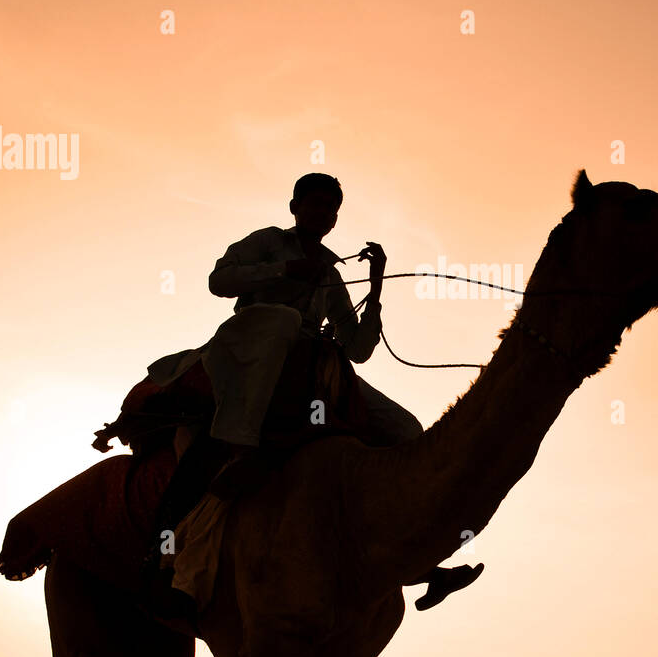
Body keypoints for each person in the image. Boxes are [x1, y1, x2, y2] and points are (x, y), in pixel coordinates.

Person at [145, 173, 482, 615]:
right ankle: (235, 450)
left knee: (404, 430)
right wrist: (283, 270)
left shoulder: (330, 274)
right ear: (294, 207)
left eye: (330, 208)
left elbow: (358, 350)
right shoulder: (268, 242)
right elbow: (219, 280)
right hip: (249, 346)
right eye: (314, 204)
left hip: (310, 361)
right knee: (283, 321)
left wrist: (376, 286)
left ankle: (418, 562)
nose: (322, 214)